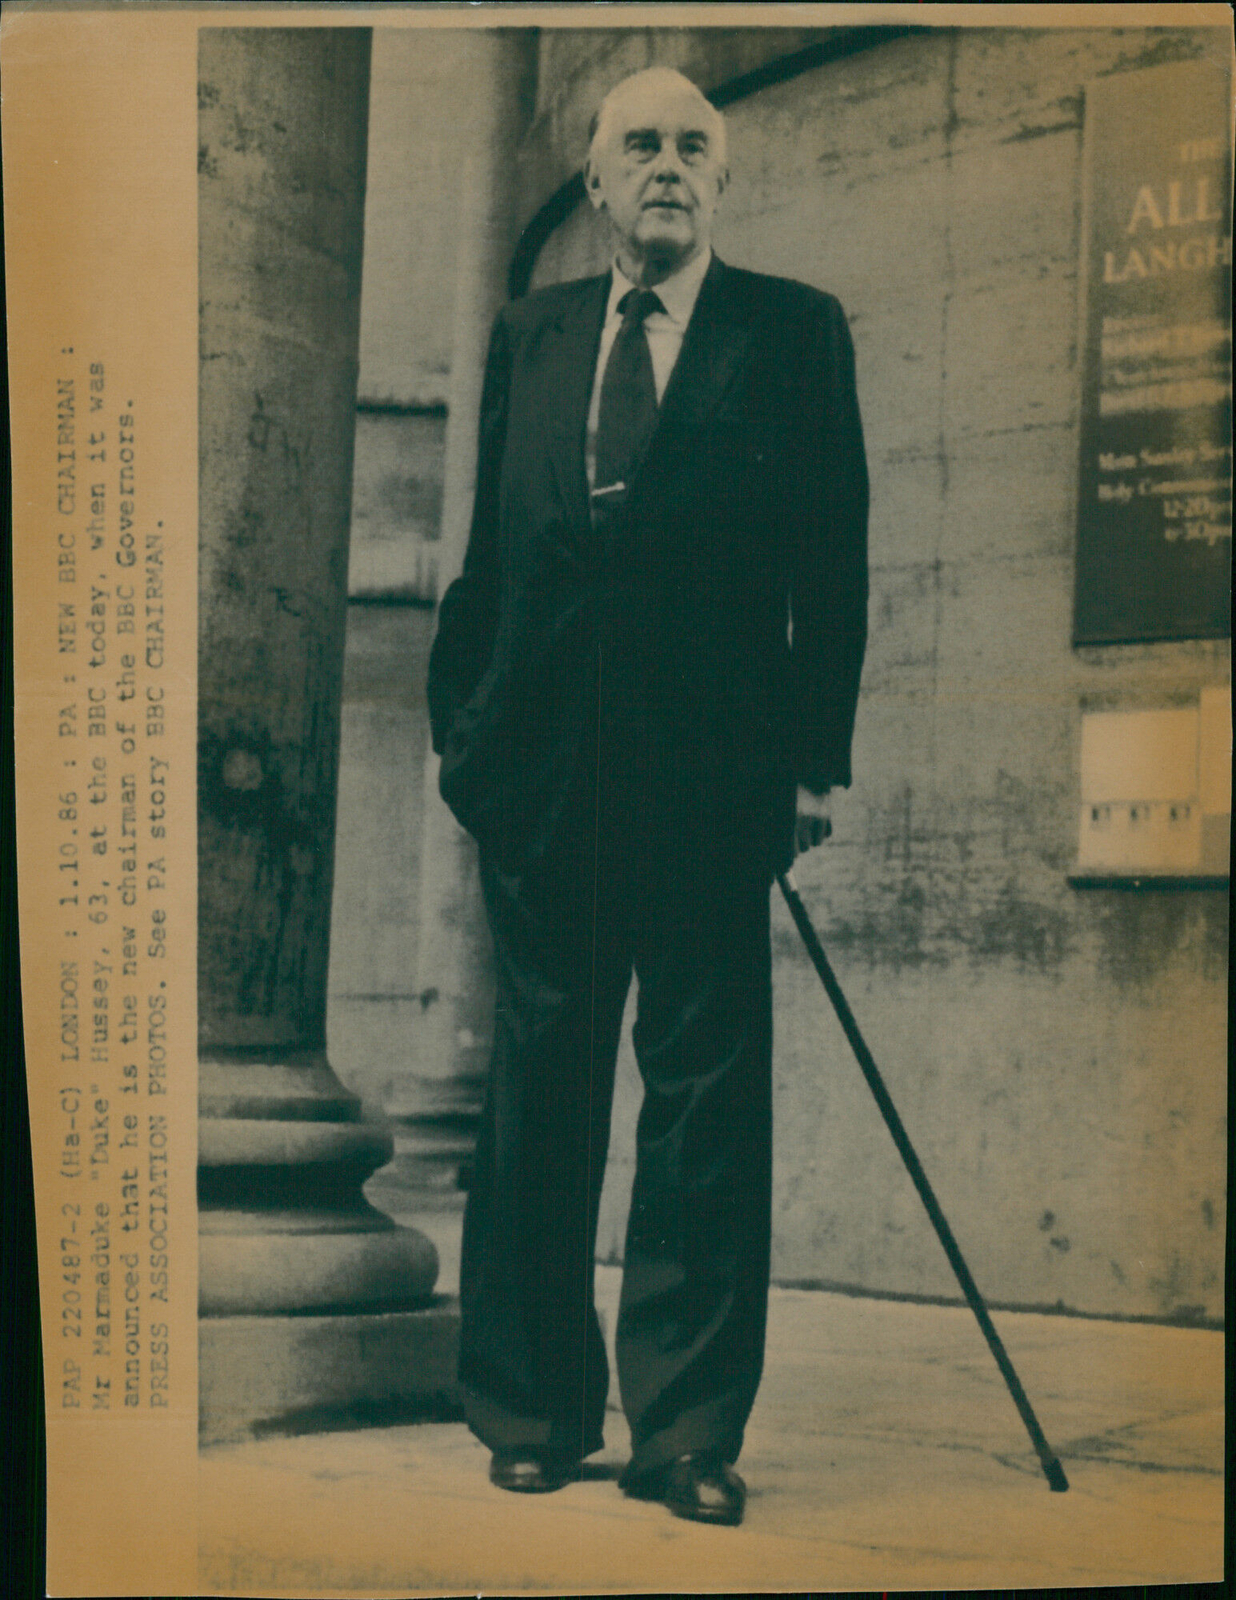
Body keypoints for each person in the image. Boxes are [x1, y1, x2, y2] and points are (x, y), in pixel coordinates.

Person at [427, 65, 868, 1527]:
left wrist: (812, 759)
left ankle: (682, 1433)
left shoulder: (792, 333)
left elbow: (833, 561)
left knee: (700, 1112)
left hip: (708, 787)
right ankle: (533, 1407)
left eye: (691, 144)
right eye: (639, 146)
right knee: (539, 1098)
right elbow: (494, 550)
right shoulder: (534, 334)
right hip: (545, 786)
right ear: (600, 185)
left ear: (718, 181)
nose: (666, 165)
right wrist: (466, 739)